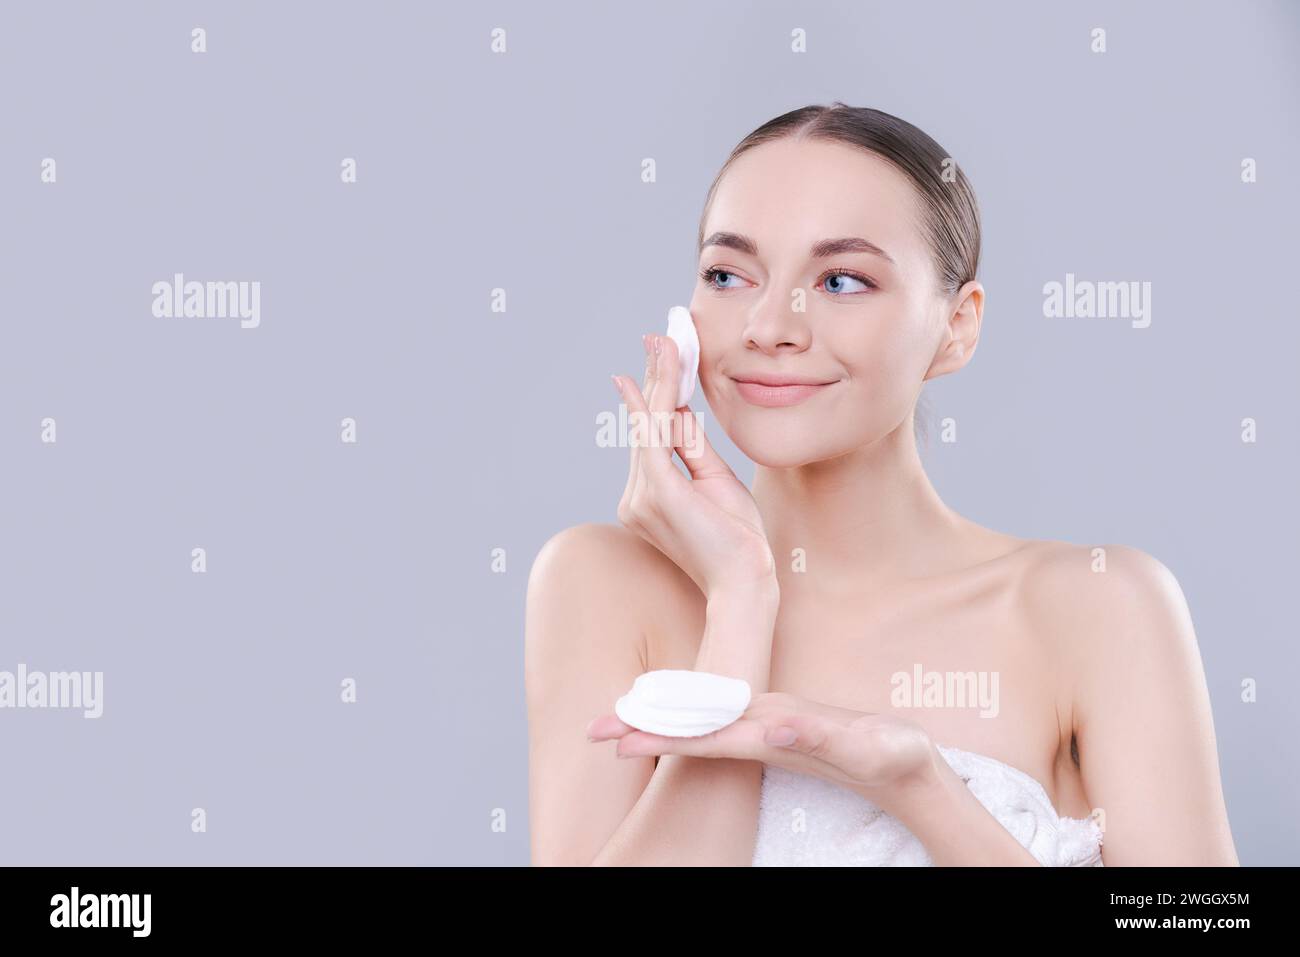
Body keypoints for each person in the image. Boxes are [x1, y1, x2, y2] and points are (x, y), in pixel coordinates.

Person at [525, 103, 1239, 866]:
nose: (769, 325)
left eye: (840, 280)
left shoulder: (1099, 605)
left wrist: (920, 787)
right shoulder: (601, 583)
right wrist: (740, 599)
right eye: (728, 274)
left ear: (957, 326)